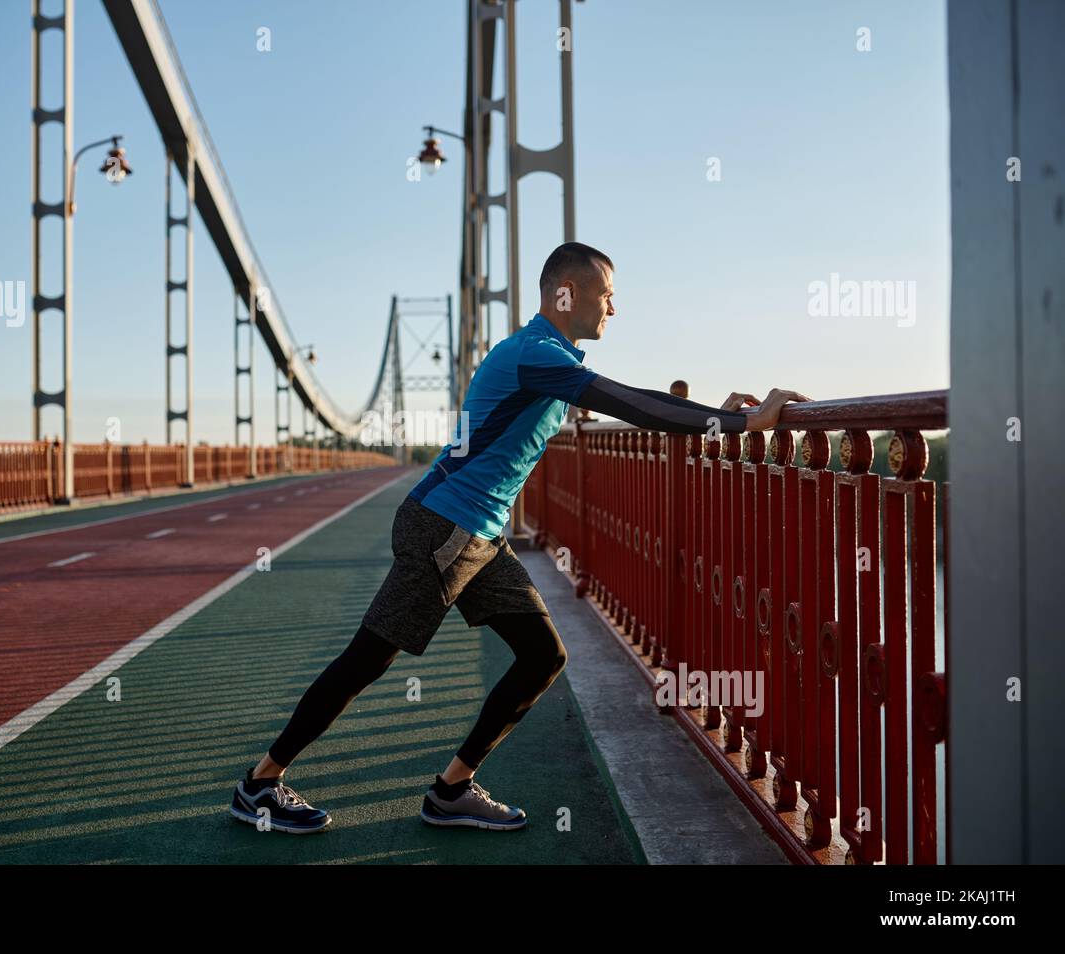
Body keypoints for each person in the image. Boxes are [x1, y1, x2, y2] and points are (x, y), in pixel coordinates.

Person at [230, 241, 809, 833]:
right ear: (568, 293)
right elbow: (624, 401)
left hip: (477, 534)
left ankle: (451, 789)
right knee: (369, 659)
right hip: (446, 526)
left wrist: (717, 412)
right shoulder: (535, 355)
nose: (615, 309)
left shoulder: (549, 356)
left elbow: (624, 396)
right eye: (608, 296)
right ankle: (260, 784)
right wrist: (741, 422)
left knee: (542, 656)